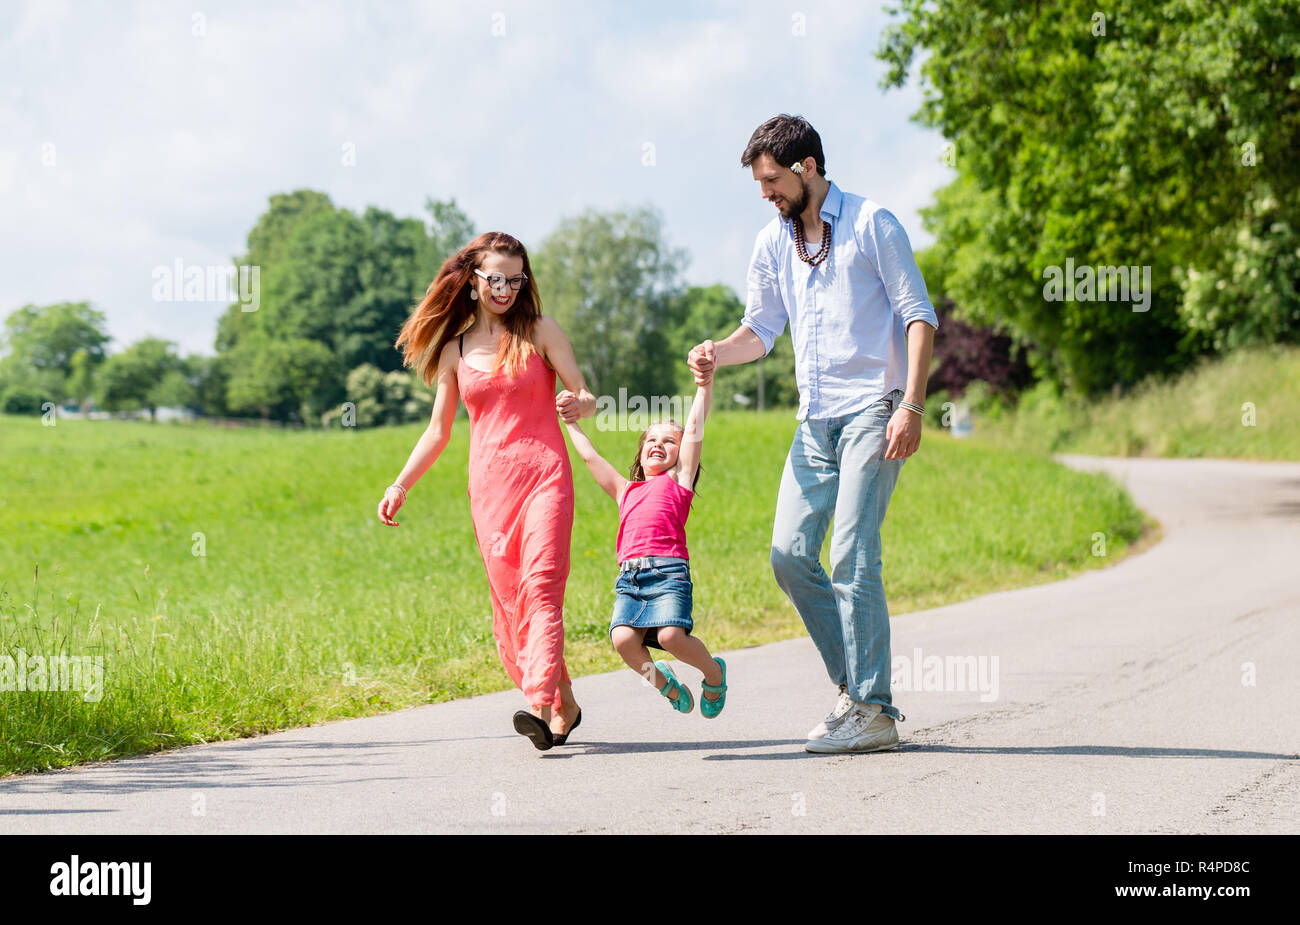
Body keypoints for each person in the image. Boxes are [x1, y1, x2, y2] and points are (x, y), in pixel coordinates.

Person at [688, 114, 938, 754]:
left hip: (875, 411)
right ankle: (855, 693)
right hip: (813, 422)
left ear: (807, 168)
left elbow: (918, 315)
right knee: (789, 556)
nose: (766, 194)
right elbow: (762, 330)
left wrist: (912, 404)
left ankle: (874, 710)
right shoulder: (772, 243)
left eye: (772, 181)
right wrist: (718, 350)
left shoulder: (872, 224)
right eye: (760, 184)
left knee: (853, 554)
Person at [380, 231, 594, 751]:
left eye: (515, 279)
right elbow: (438, 432)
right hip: (490, 490)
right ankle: (564, 702)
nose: (505, 289)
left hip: (545, 476)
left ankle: (538, 704)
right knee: (513, 600)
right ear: (474, 281)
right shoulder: (453, 351)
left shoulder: (541, 331)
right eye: (495, 279)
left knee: (541, 586)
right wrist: (400, 483)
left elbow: (582, 392)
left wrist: (579, 404)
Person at [562, 376, 728, 719]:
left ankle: (713, 673)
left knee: (671, 637)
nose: (658, 444)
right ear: (640, 451)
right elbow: (591, 457)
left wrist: (704, 384)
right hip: (631, 579)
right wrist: (572, 423)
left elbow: (695, 427)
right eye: (651, 439)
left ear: (681, 455)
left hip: (668, 574)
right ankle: (664, 684)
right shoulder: (625, 490)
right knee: (623, 641)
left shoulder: (678, 483)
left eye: (670, 441)